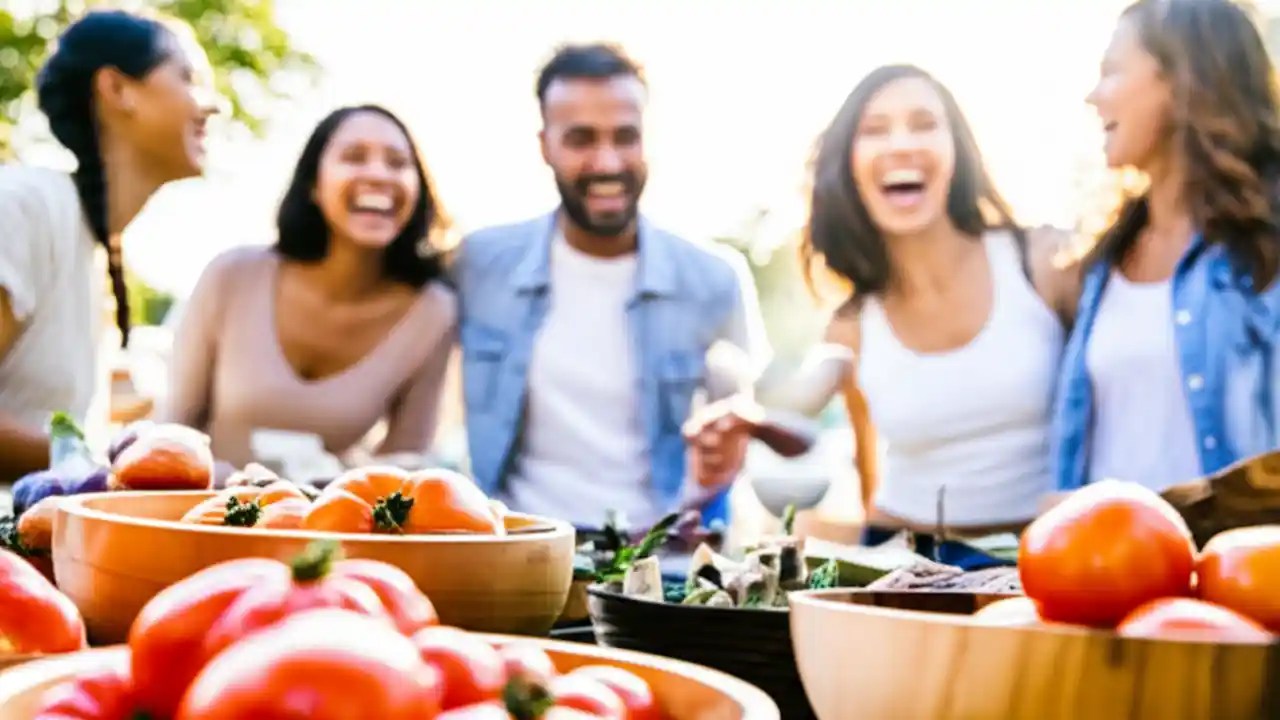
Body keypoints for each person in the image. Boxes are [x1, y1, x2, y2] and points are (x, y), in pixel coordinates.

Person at [689, 64, 1078, 552]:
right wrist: (742, 419)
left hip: (1049, 555)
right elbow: (836, 442)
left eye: (923, 124)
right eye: (874, 130)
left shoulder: (1043, 262)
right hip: (910, 561)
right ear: (847, 164)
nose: (900, 145)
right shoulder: (852, 324)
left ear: (957, 150)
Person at [451, 43, 769, 530]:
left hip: (660, 558)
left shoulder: (714, 278)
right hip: (516, 548)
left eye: (626, 137)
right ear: (545, 145)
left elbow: (758, 420)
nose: (607, 162)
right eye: (581, 139)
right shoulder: (478, 264)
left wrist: (729, 448)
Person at [1052, 0, 1280, 495]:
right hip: (1102, 564)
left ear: (1183, 80)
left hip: (1238, 565)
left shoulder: (1266, 249)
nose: (1094, 97)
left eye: (1111, 72)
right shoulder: (1105, 260)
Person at [163, 105, 455, 470]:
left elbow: (405, 468)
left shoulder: (433, 311)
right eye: (354, 157)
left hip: (324, 523)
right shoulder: (232, 275)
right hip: (204, 512)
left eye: (398, 163)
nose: (379, 174)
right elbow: (173, 426)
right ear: (314, 184)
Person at [0, 10, 217, 481]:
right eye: (188, 78)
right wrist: (108, 464)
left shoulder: (94, 247)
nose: (211, 106)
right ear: (118, 89)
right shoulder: (24, 207)